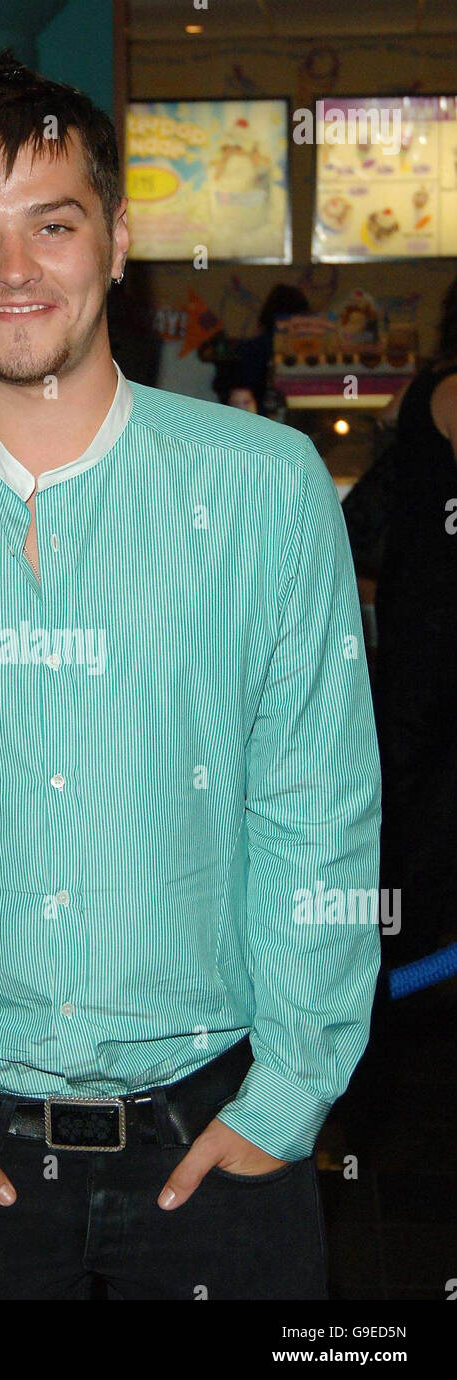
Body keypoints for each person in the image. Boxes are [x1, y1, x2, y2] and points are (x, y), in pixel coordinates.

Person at [0, 50, 381, 1300]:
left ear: (114, 241)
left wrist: (295, 1091)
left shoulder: (263, 489)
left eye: (52, 224)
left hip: (225, 1145)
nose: (12, 272)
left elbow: (320, 803)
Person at [372, 275, 457, 970]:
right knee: (428, 806)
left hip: (418, 628)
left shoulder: (429, 386)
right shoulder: (452, 391)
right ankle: (408, 960)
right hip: (436, 636)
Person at [216, 284, 310, 414]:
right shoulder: (306, 350)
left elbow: (230, 389)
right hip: (291, 417)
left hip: (256, 421)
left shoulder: (249, 349)